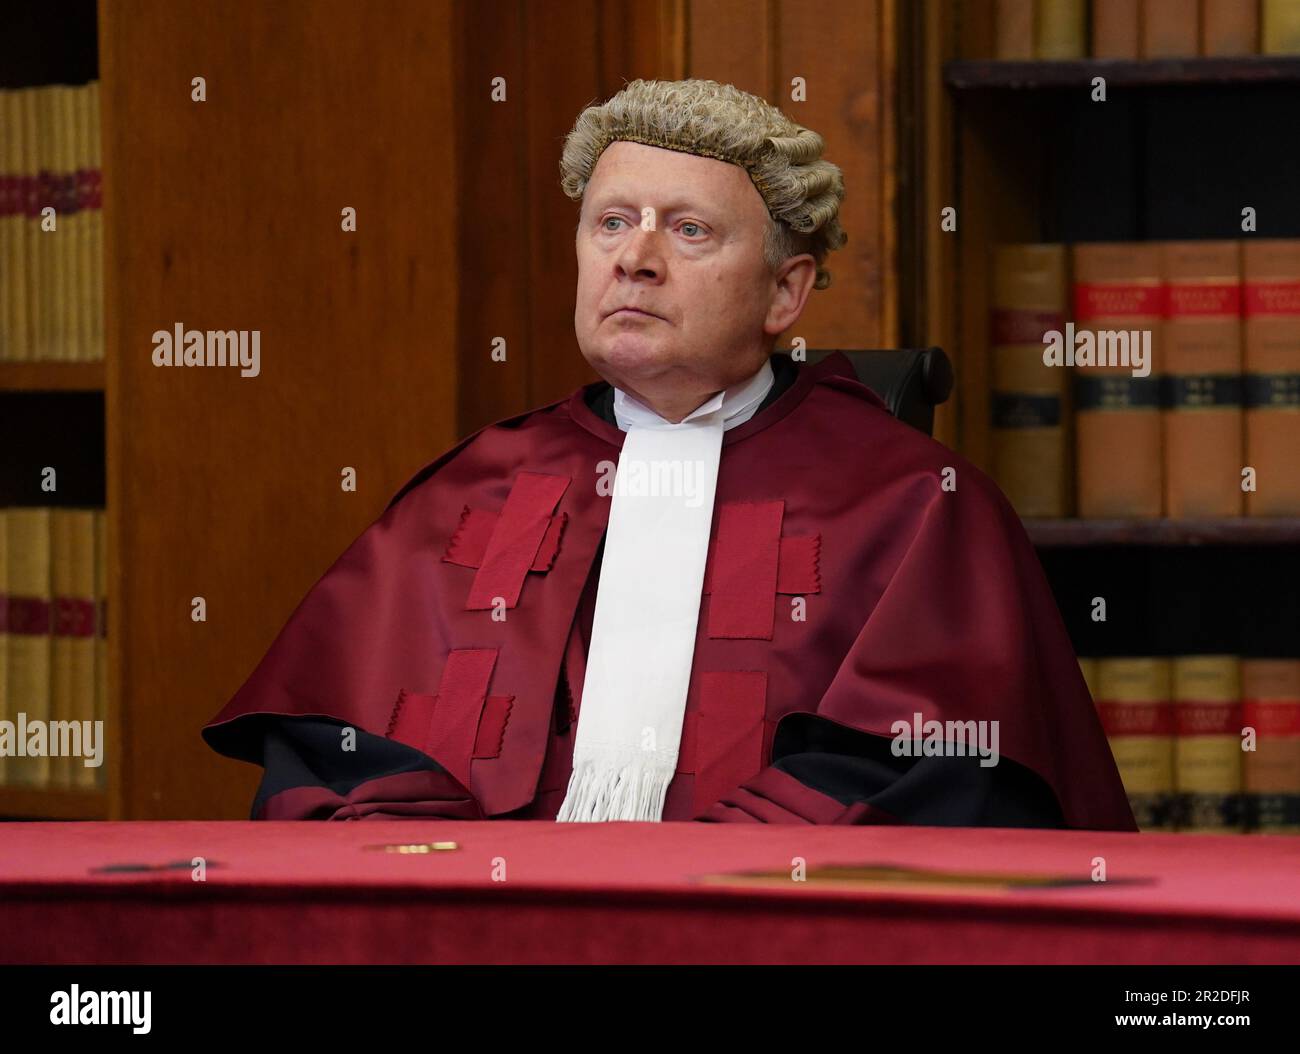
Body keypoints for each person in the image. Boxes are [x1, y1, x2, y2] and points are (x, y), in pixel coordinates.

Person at [203, 78, 1136, 830]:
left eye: (689, 230)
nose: (635, 259)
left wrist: (694, 896)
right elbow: (340, 757)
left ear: (785, 292)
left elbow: (929, 774)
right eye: (611, 223)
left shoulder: (912, 502)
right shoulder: (472, 488)